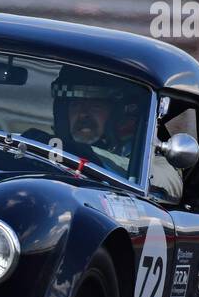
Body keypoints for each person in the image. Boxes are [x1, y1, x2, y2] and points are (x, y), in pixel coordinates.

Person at [50, 66, 183, 202]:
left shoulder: (145, 152)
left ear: (116, 114)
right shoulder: (48, 149)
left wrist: (88, 155)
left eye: (95, 106)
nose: (83, 114)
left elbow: (172, 183)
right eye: (75, 105)